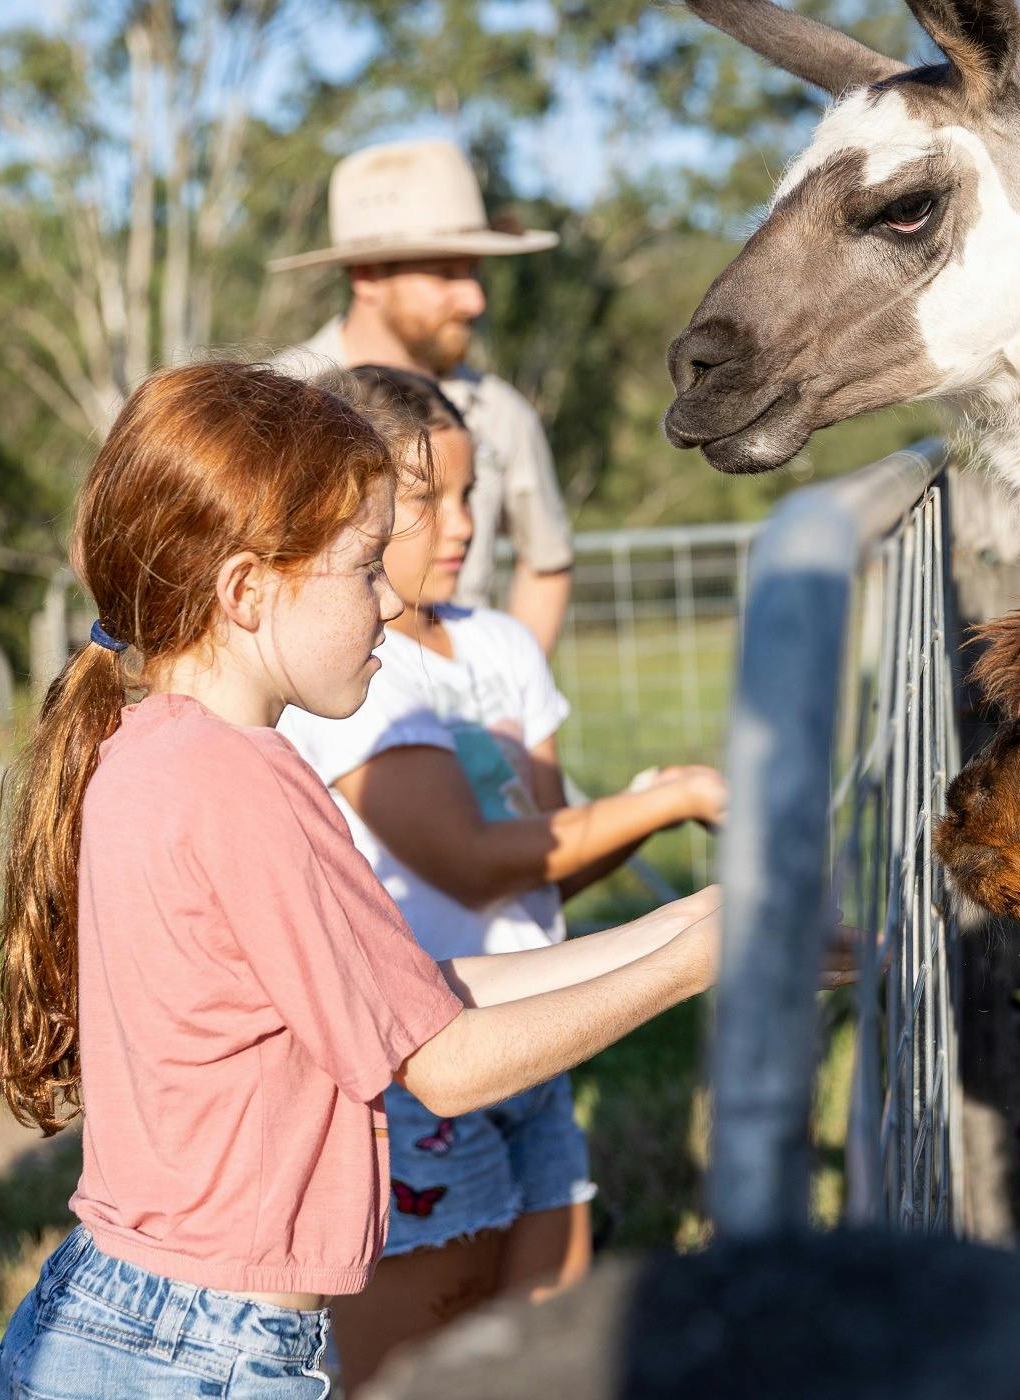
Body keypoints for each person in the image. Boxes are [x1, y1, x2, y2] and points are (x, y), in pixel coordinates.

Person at [0, 360, 722, 1398]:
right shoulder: (248, 778)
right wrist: (693, 962)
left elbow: (408, 988)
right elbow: (444, 1059)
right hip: (208, 1355)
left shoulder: (151, 747)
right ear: (245, 589)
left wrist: (685, 922)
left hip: (119, 1316)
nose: (393, 596)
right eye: (366, 564)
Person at [279, 365, 726, 1385]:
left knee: (546, 1327)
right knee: (423, 1345)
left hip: (537, 1035)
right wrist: (666, 801)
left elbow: (542, 859)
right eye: (428, 496)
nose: (464, 523)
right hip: (426, 1058)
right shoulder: (350, 683)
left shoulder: (504, 647)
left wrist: (632, 815)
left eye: (472, 493)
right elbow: (475, 865)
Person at [270, 139, 575, 654]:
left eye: (474, 272)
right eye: (445, 273)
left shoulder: (499, 412)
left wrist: (514, 693)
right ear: (367, 277)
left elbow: (546, 563)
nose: (474, 299)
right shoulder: (275, 404)